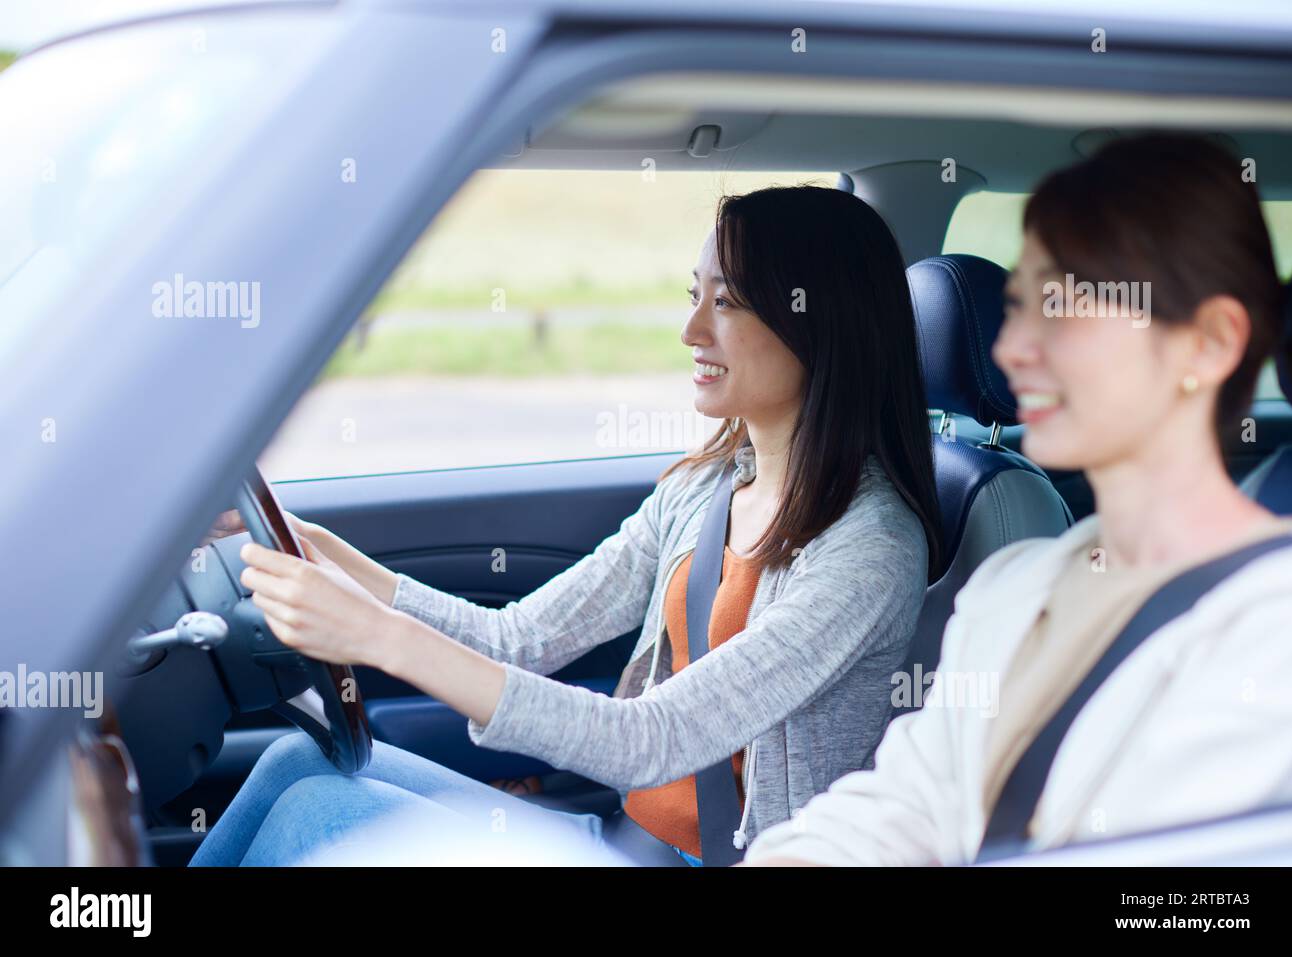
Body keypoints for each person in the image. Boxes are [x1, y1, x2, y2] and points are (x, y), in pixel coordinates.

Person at [189, 184, 943, 866]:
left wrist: (374, 635)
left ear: (819, 323)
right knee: (296, 764)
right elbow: (518, 639)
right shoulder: (705, 488)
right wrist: (323, 551)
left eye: (729, 302)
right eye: (695, 294)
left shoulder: (870, 547)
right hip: (623, 842)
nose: (690, 329)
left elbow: (653, 738)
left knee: (318, 816)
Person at [741, 133, 1292, 866]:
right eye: (1018, 306)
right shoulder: (1015, 583)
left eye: (1066, 307)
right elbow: (902, 807)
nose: (1013, 349)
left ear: (1208, 344)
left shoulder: (1274, 632)